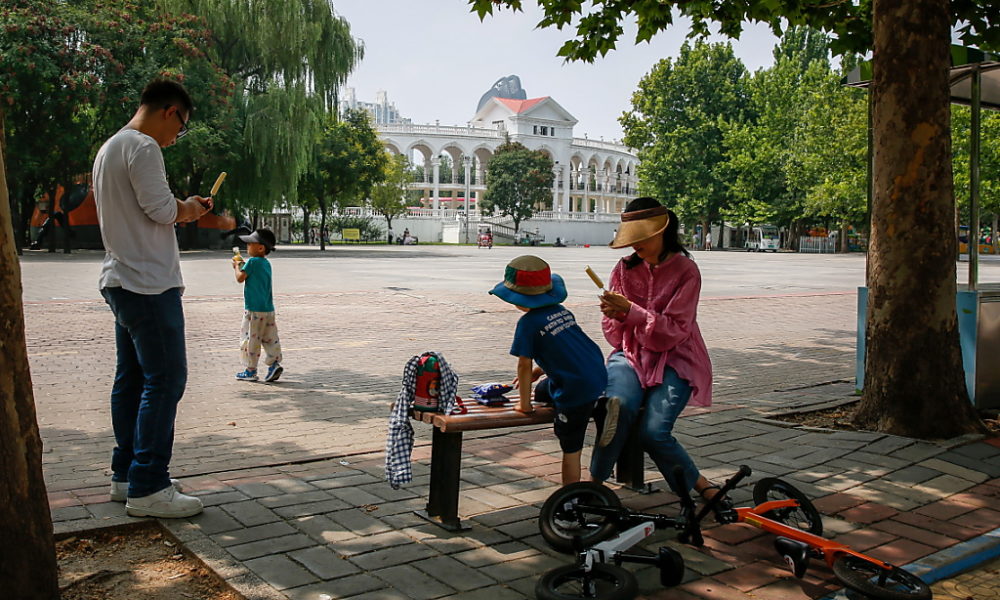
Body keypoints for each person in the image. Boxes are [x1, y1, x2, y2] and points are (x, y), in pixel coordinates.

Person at [92, 79, 211, 518]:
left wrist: (179, 205)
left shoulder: (109, 148)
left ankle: (125, 476)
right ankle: (149, 485)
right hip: (149, 284)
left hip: (121, 278)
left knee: (132, 380)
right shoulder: (143, 147)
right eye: (180, 128)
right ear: (170, 112)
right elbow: (161, 210)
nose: (175, 138)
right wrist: (191, 209)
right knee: (165, 380)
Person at [590, 197, 727, 510]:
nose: (634, 244)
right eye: (630, 238)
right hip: (630, 354)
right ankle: (593, 487)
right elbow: (613, 335)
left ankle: (700, 490)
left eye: (641, 236)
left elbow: (677, 329)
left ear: (662, 231)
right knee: (618, 405)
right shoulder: (623, 269)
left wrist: (634, 313)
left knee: (654, 432)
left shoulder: (686, 270)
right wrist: (614, 314)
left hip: (677, 358)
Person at [489, 256, 607, 484]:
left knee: (571, 447)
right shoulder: (561, 311)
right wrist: (540, 370)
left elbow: (522, 364)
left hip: (575, 389)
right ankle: (601, 406)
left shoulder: (528, 323)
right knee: (543, 391)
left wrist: (524, 405)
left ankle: (571, 500)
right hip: (597, 374)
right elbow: (565, 350)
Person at [233, 228, 283, 383]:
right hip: (268, 309)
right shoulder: (266, 263)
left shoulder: (253, 262)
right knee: (270, 338)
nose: (247, 247)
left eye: (250, 244)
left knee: (250, 339)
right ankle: (274, 363)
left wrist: (237, 266)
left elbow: (240, 278)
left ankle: (250, 370)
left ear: (261, 248)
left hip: (253, 310)